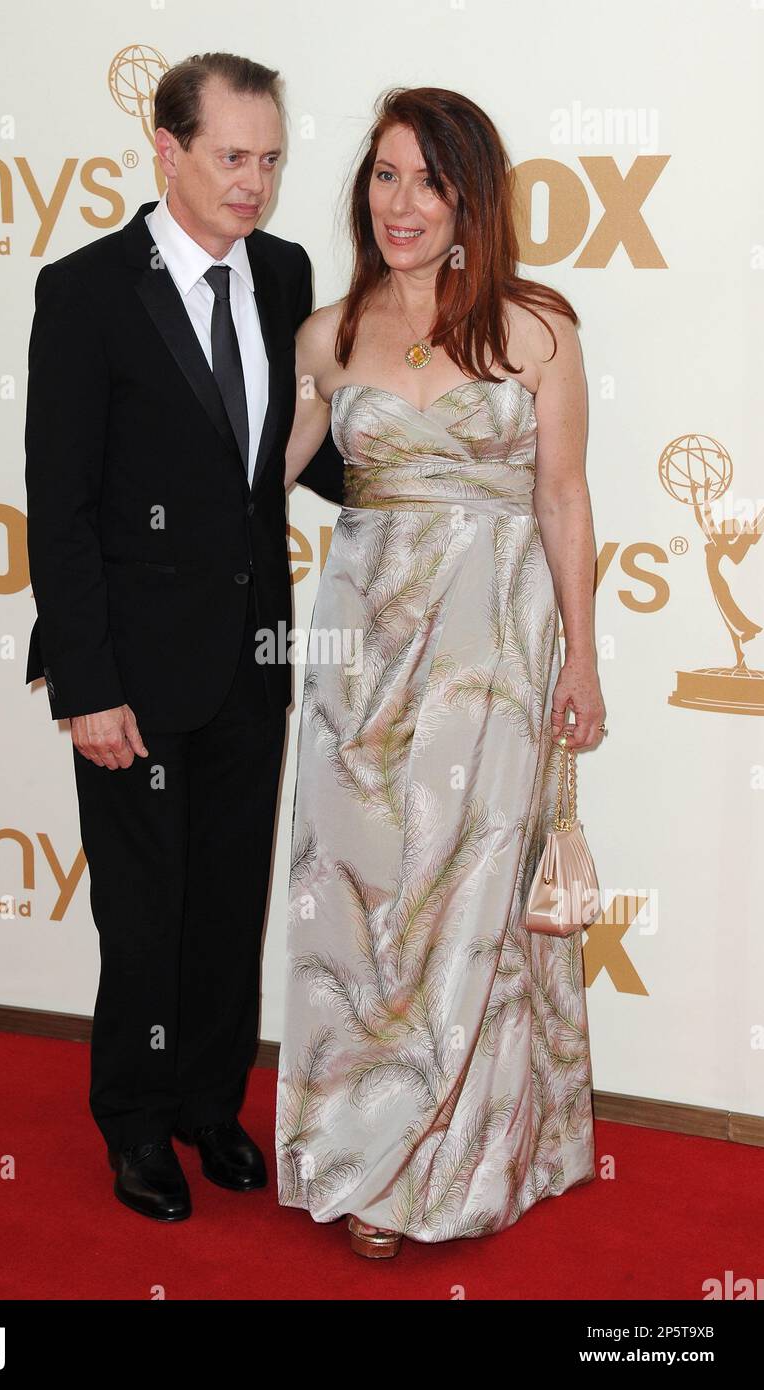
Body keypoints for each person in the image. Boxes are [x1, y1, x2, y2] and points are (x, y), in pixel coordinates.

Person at [275, 86, 607, 1258]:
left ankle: (438, 1162)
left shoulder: (534, 329)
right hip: (356, 660)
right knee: (357, 902)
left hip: (491, 654)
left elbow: (562, 500)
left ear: (470, 195)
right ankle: (358, 1138)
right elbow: (254, 483)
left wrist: (584, 660)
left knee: (459, 899)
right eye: (381, 175)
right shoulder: (327, 333)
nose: (400, 203)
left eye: (426, 179)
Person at [24, 51, 344, 1222]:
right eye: (231, 158)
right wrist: (87, 681)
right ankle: (136, 1123)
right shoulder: (88, 290)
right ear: (166, 149)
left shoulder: (286, 274)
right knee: (142, 911)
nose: (254, 183)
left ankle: (213, 1104)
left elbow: (285, 464)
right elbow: (56, 507)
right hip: (132, 677)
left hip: (253, 660)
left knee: (225, 903)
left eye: (269, 159)